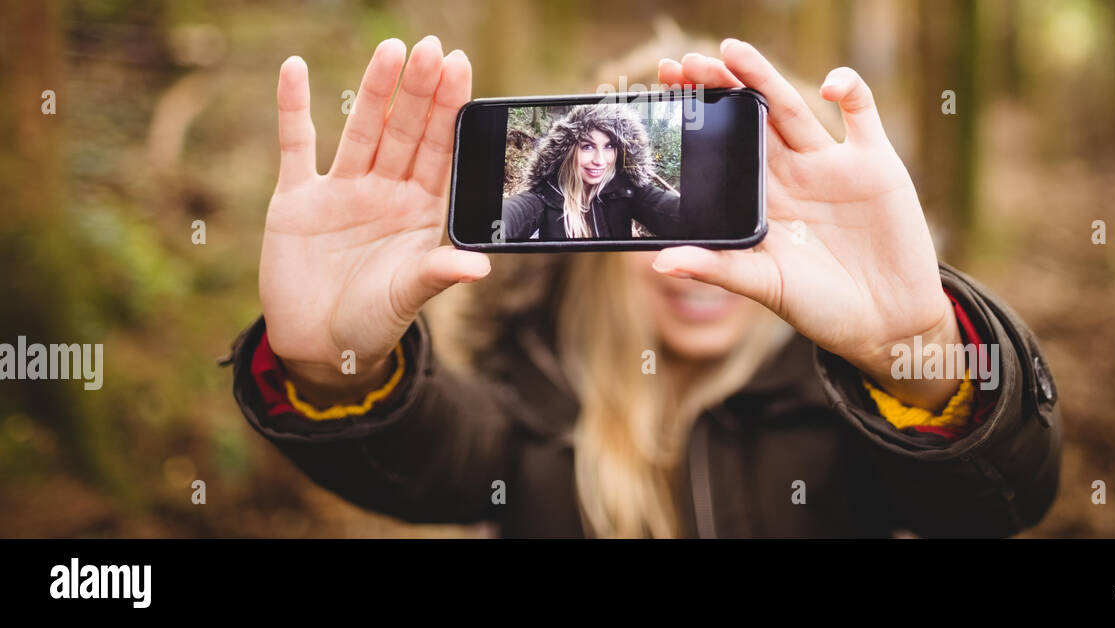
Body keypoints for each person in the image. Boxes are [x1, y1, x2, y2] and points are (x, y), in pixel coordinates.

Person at [225, 33, 1062, 537]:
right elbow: (409, 463)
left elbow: (1003, 505)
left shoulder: (836, 405)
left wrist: (911, 353)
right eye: (583, 148)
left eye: (738, 218)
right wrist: (333, 362)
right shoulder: (528, 404)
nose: (698, 266)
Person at [502, 103, 682, 241]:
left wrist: (703, 216)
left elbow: (670, 210)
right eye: (587, 146)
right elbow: (511, 215)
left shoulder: (627, 191)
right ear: (568, 151)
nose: (600, 160)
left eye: (609, 146)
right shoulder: (544, 197)